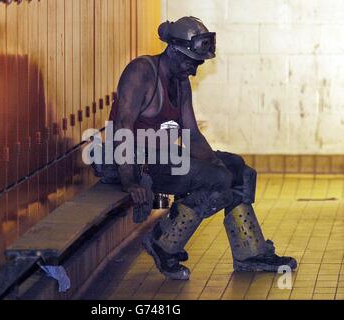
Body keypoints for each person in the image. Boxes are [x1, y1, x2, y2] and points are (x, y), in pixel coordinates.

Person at [107, 16, 297, 280]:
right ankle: (163, 244)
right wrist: (129, 181)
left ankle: (249, 253)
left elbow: (192, 136)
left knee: (239, 171)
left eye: (197, 64)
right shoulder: (141, 72)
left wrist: (222, 166)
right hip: (130, 161)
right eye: (190, 62)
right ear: (172, 50)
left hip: (162, 158)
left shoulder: (180, 81)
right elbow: (122, 127)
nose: (194, 71)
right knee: (217, 179)